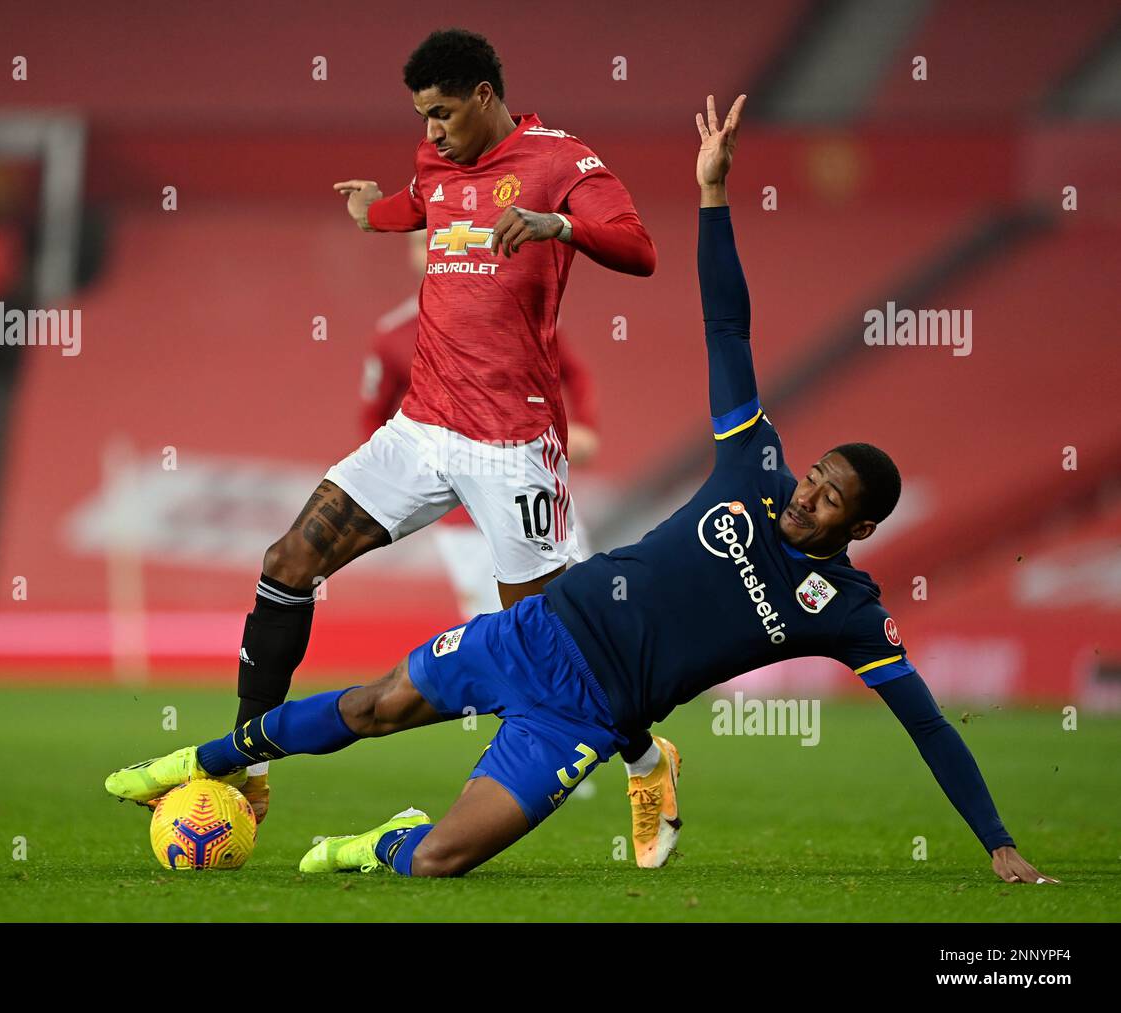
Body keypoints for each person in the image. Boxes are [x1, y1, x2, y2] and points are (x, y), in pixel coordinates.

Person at [109, 92, 1052, 885]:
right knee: (368, 707)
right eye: (815, 476)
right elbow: (729, 328)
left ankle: (374, 843)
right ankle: (195, 760)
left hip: (585, 714)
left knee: (440, 861)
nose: (807, 494)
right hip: (537, 629)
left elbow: (928, 723)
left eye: (831, 496)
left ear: (865, 524)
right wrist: (713, 195)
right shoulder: (751, 465)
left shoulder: (846, 610)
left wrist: (1001, 844)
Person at [230, 28, 671, 861]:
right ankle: (247, 766)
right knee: (287, 561)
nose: (430, 132)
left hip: (515, 445)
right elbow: (417, 202)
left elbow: (641, 250)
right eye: (421, 118)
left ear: (483, 96)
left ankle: (647, 758)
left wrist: (558, 227)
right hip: (422, 426)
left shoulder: (560, 160)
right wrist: (369, 213)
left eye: (441, 114)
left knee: (545, 653)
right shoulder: (435, 162)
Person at [361, 230, 602, 618]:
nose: (433, 250)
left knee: (581, 607)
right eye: (424, 242)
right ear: (412, 254)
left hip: (533, 488)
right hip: (463, 518)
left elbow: (573, 372)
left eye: (441, 238)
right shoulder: (393, 336)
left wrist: (586, 425)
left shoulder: (517, 309)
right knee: (495, 628)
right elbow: (373, 420)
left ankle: (596, 678)